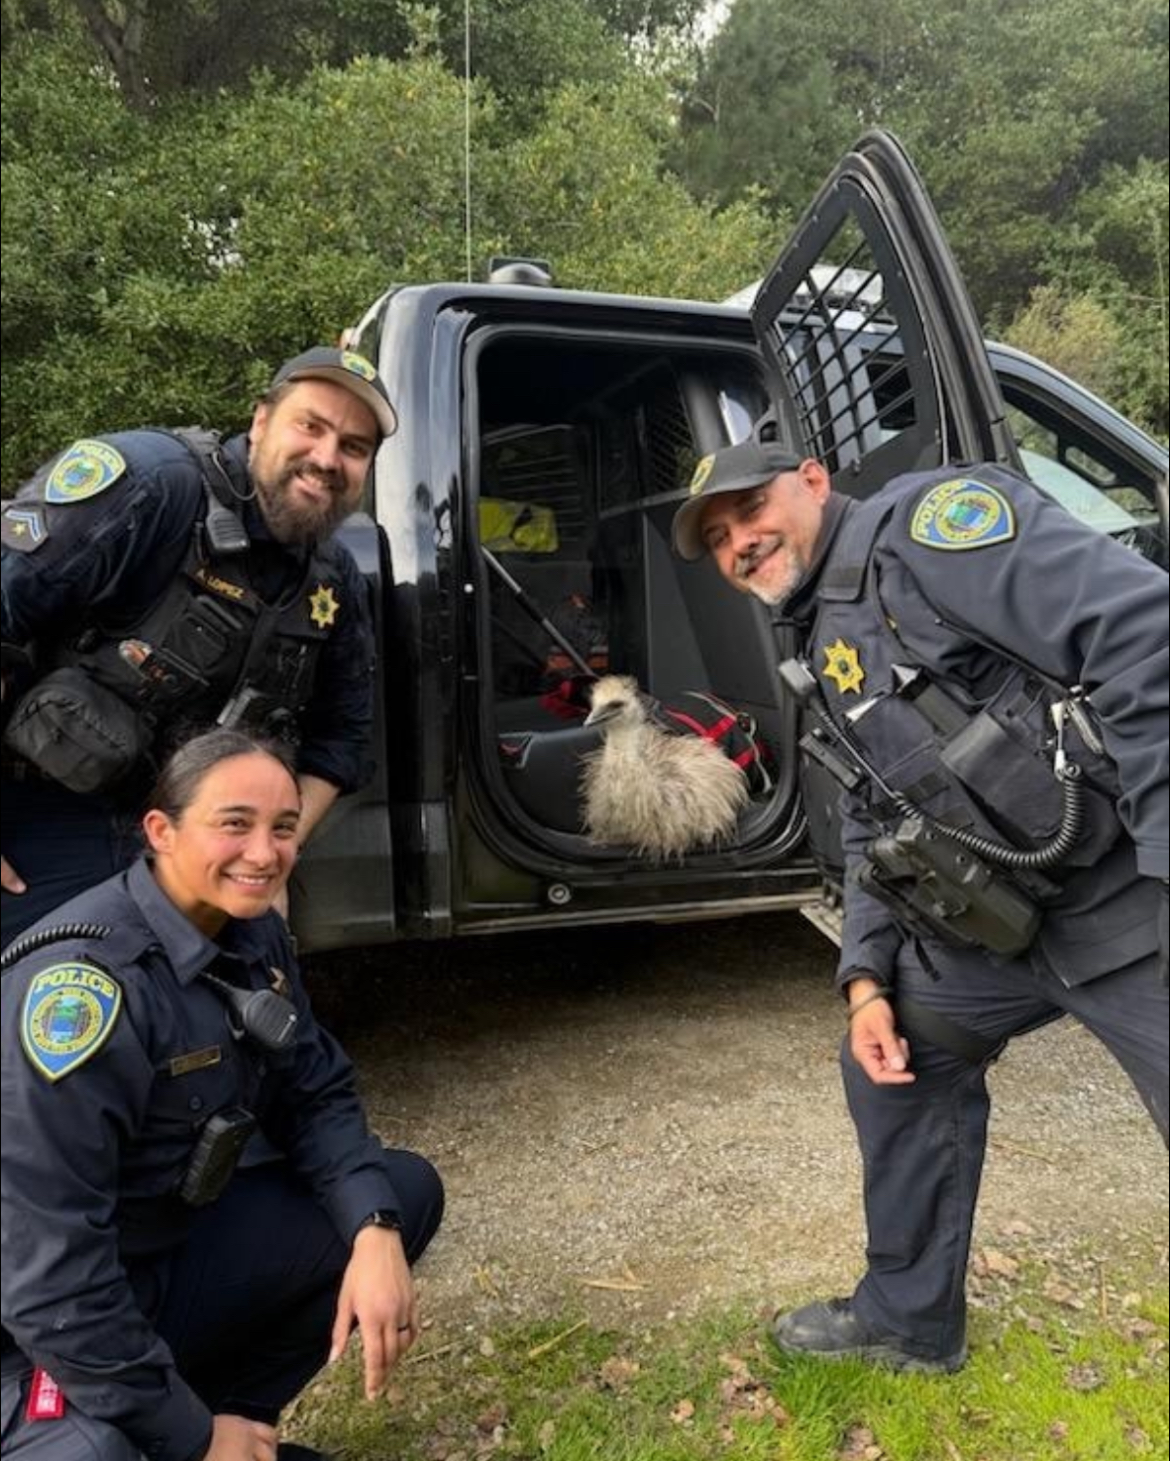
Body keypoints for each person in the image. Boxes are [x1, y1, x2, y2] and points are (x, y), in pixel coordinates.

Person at [672, 426, 1168, 1372]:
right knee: (899, 1059)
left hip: (1125, 898)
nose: (741, 541)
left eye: (752, 508)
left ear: (813, 480)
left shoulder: (933, 533)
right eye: (720, 537)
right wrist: (864, 982)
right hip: (1007, 929)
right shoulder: (818, 638)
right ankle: (909, 1322)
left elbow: (1148, 638)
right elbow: (871, 825)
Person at [0, 728, 444, 1459]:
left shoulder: (247, 933)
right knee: (92, 1453)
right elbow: (50, 1280)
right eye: (234, 824)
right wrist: (193, 1437)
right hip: (31, 1329)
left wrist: (373, 1229)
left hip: (150, 1259)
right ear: (161, 831)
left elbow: (316, 1092)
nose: (264, 853)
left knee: (400, 1191)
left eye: (284, 828)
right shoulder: (80, 996)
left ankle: (240, 1432)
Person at [1, 346, 396, 949]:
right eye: (310, 425)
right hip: (45, 823)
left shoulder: (333, 578)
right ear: (261, 421)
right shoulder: (151, 484)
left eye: (353, 447)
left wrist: (270, 854)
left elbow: (341, 740)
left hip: (201, 852)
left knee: (236, 1023)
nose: (326, 458)